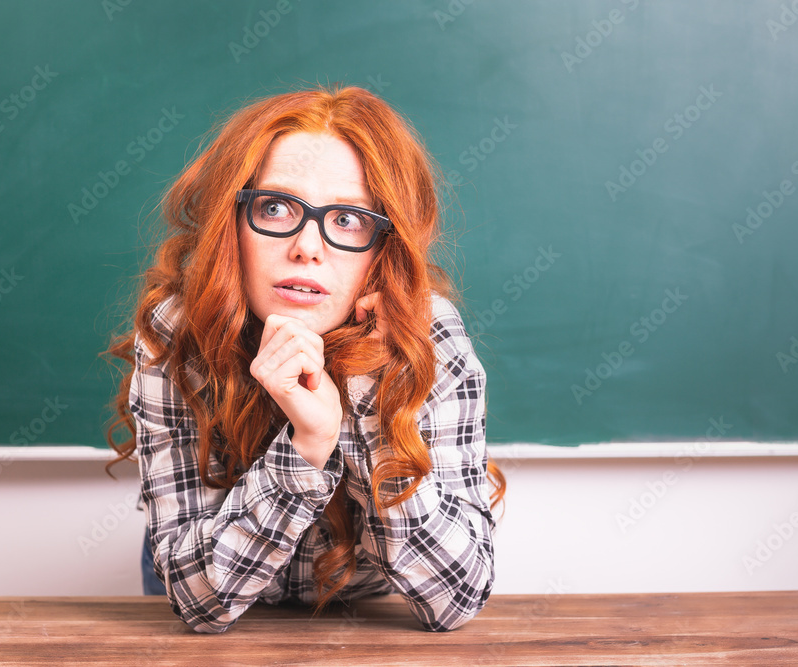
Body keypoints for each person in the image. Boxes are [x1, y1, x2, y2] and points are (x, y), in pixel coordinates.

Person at [104, 84, 506, 634]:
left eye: (347, 219)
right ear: (232, 224)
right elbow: (200, 601)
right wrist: (307, 448)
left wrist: (367, 396)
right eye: (275, 207)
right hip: (220, 605)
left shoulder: (428, 333)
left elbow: (455, 598)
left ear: (385, 246)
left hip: (369, 619)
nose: (307, 247)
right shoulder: (178, 333)